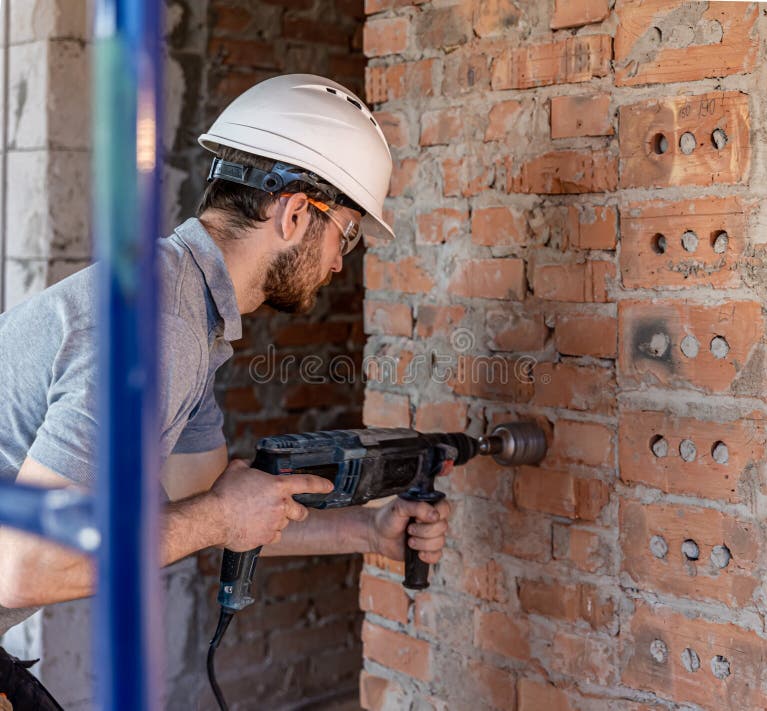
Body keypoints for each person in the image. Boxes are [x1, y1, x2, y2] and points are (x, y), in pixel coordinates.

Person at [0, 74, 451, 709]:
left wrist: (369, 530)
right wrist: (218, 515)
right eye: (346, 234)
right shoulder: (159, 330)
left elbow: (218, 502)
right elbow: (27, 567)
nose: (338, 262)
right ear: (295, 214)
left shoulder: (186, 316)